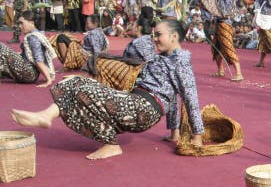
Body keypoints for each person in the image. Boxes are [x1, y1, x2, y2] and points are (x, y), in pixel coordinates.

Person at [11, 19, 204, 161]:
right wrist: (174, 133)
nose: (153, 38)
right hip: (134, 101)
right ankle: (46, 116)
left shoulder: (181, 63)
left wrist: (197, 137)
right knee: (73, 83)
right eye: (153, 34)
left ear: (174, 36)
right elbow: (174, 95)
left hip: (145, 109)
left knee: (83, 89)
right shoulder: (161, 58)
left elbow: (189, 98)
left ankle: (112, 145)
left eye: (158, 34)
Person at [197, 0, 244, 81]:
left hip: (225, 24)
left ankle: (239, 73)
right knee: (215, 48)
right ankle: (220, 70)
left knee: (228, 48)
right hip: (219, 23)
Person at [92, 15, 157, 92]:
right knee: (101, 59)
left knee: (100, 64)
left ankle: (104, 91)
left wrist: (121, 60)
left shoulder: (143, 42)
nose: (130, 27)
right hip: (131, 70)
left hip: (134, 76)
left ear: (138, 28)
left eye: (133, 25)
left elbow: (149, 63)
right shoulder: (144, 40)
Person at [0, 10, 56, 86]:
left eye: (22, 23)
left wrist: (48, 80)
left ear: (32, 23)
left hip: (28, 72)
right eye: (19, 23)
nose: (20, 26)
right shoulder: (37, 34)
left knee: (2, 47)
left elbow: (38, 60)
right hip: (29, 73)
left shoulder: (33, 37)